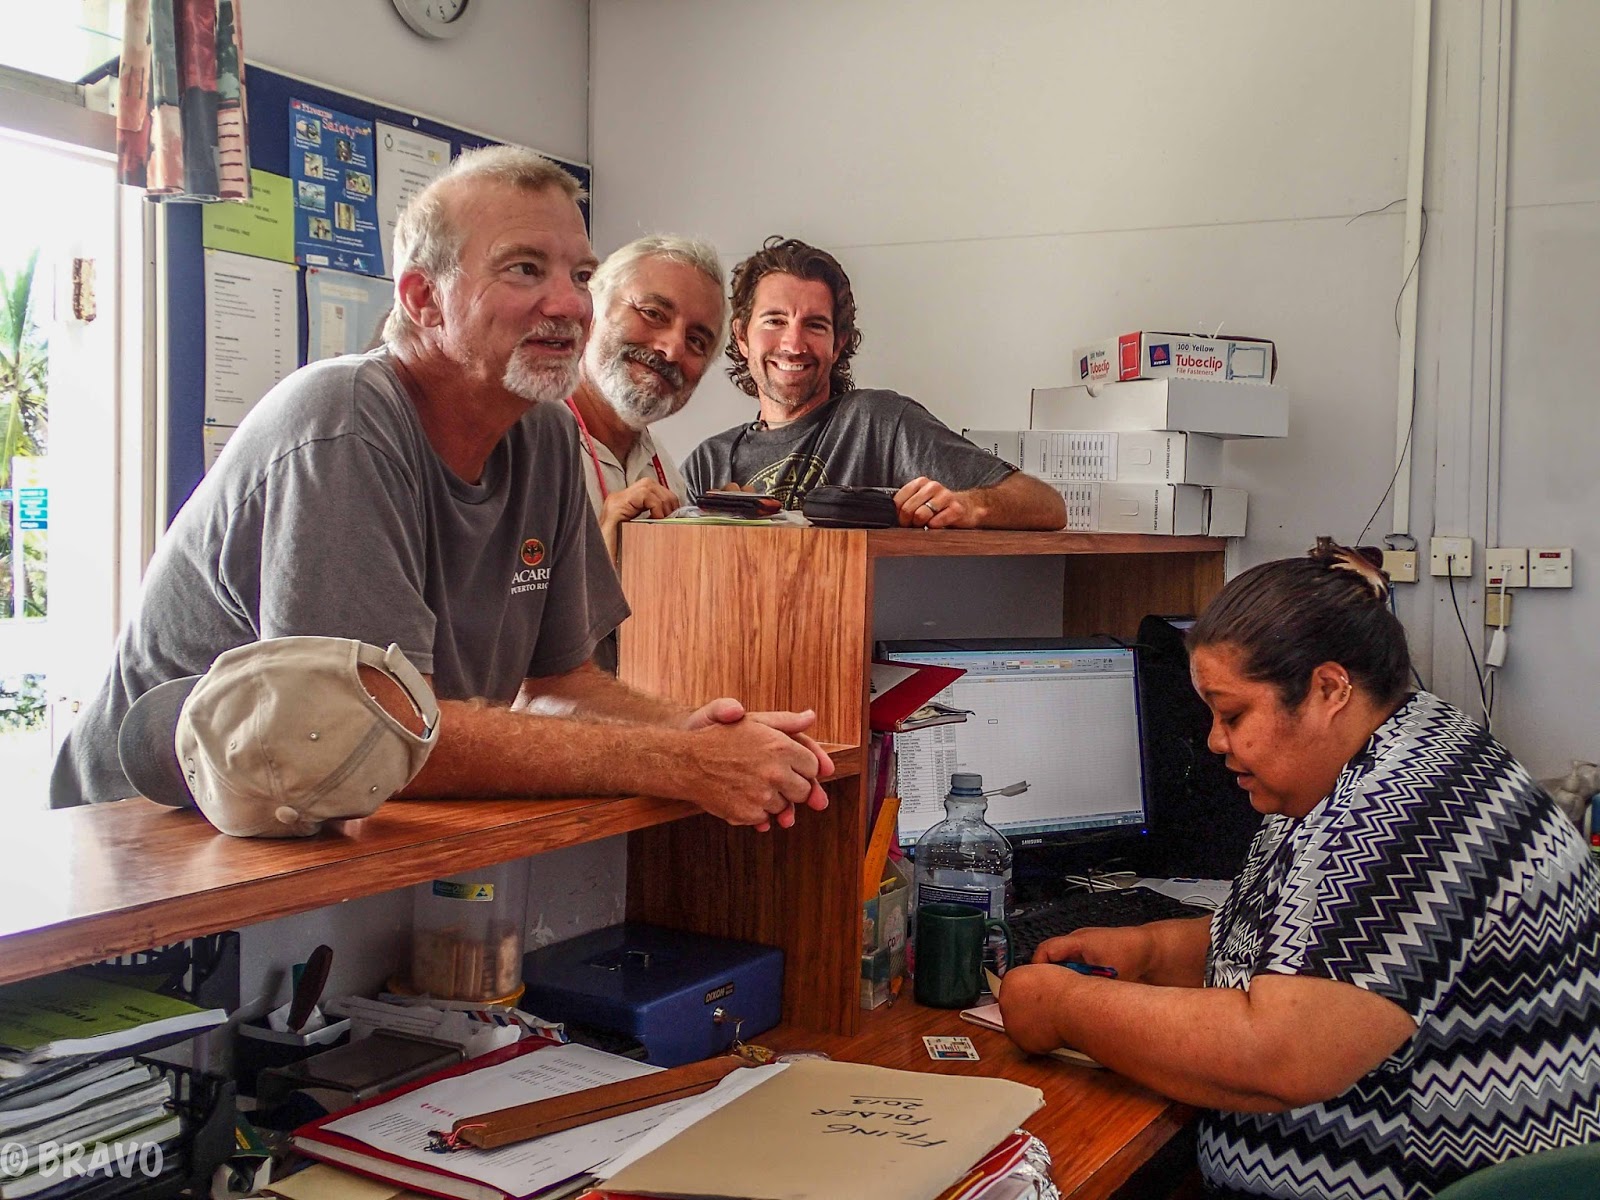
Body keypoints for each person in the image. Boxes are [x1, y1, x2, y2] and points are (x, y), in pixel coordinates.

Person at [51, 146, 830, 834]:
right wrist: (679, 762)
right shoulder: (344, 421)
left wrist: (708, 733)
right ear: (423, 298)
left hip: (309, 827)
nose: (569, 304)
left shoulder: (549, 436)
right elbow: (380, 732)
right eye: (526, 268)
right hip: (143, 841)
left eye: (581, 275)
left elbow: (561, 684)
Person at [997, 544, 1600, 1199]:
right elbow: (1303, 942)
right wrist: (1148, 950)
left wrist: (1067, 1009)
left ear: (1329, 689)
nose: (1215, 742)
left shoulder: (1401, 811)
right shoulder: (1375, 754)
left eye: (1233, 715)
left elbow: (1279, 1055)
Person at [683, 237, 1065, 530]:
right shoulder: (709, 462)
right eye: (774, 321)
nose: (793, 344)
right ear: (742, 337)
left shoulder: (879, 422)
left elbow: (1046, 505)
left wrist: (968, 506)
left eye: (815, 325)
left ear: (840, 343)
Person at [567, 234, 727, 559]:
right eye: (653, 313)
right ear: (591, 307)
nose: (672, 350)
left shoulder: (663, 471)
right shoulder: (522, 446)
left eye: (697, 341)